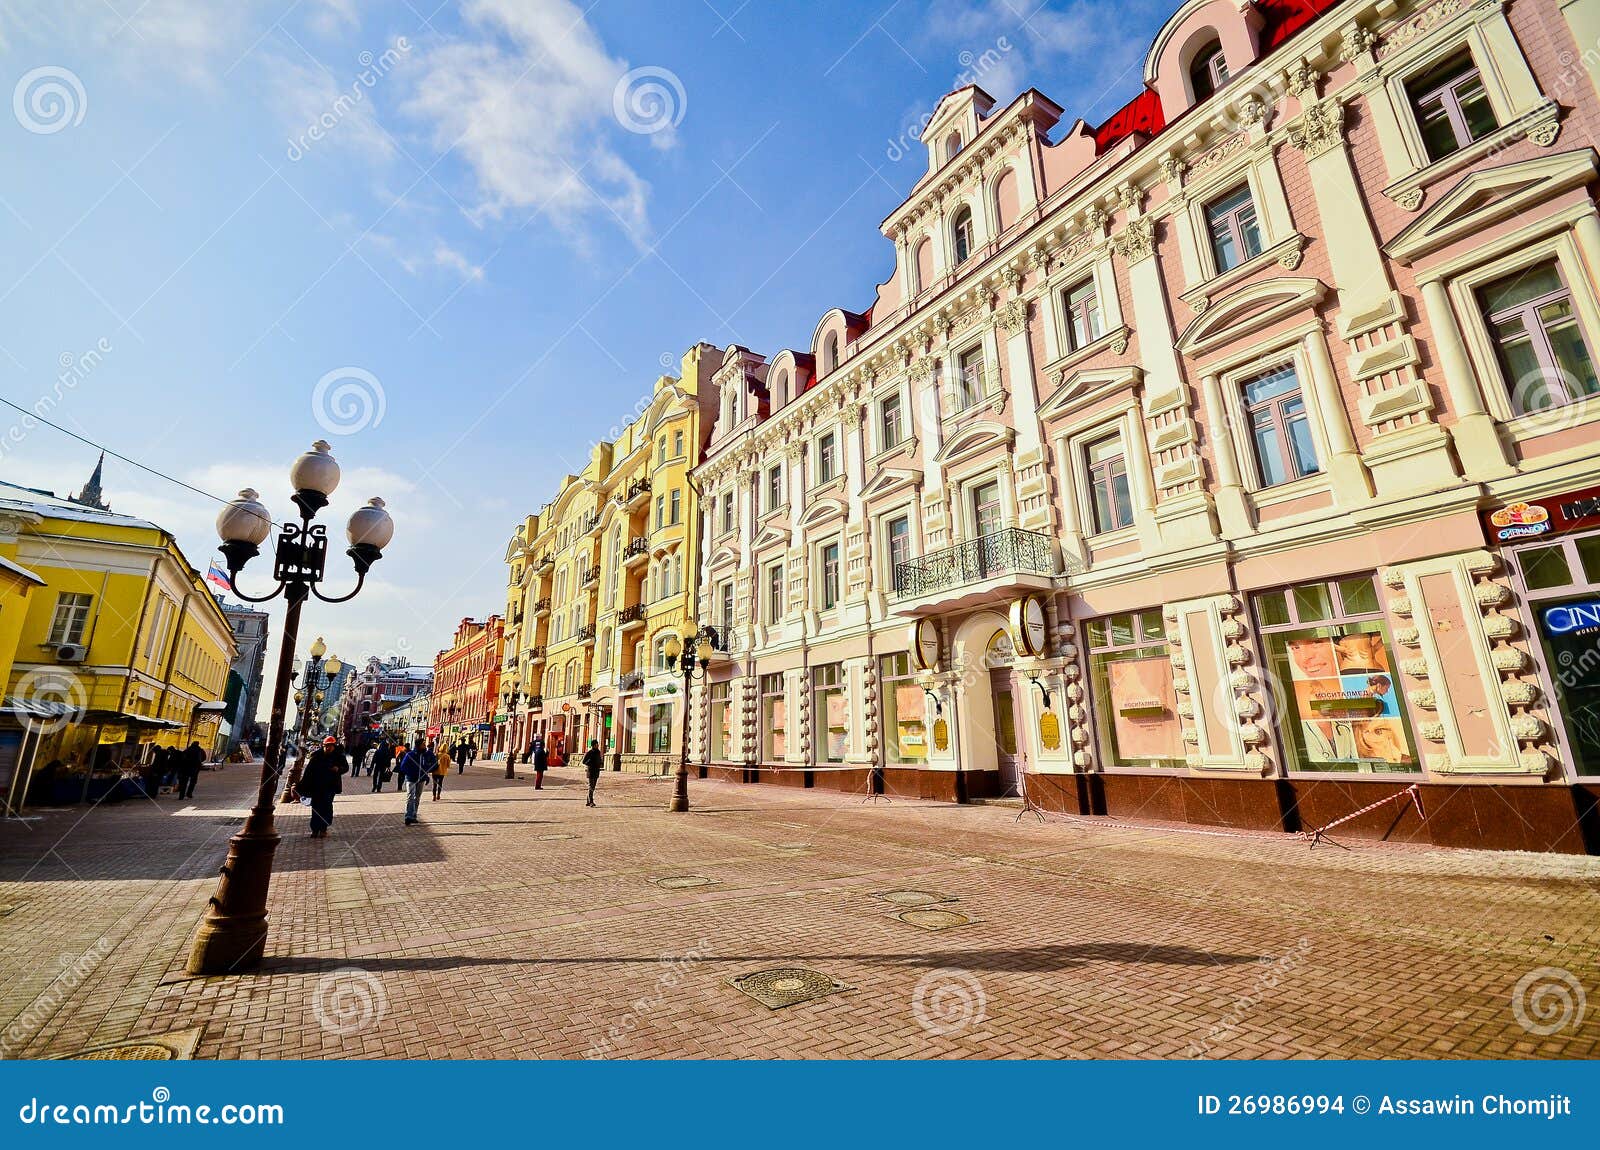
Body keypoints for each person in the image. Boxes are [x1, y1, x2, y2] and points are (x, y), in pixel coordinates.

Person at [299, 736, 347, 838]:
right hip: (317, 787)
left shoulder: (339, 756)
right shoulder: (316, 756)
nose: (328, 748)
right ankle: (315, 829)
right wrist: (301, 786)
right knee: (316, 808)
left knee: (327, 806)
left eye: (330, 746)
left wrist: (338, 769)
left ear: (334, 746)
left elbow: (345, 767)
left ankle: (323, 829)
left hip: (330, 787)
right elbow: (308, 772)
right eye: (326, 746)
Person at [396, 738, 429, 825]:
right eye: (423, 744)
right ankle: (408, 816)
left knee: (417, 797)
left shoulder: (424, 755)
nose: (425, 746)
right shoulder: (410, 754)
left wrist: (426, 776)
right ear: (419, 745)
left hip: (421, 779)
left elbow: (426, 767)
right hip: (411, 779)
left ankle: (414, 815)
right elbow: (403, 766)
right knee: (410, 796)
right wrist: (411, 773)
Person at [582, 739, 602, 807]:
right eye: (596, 744)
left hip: (596, 771)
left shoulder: (598, 752)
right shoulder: (589, 752)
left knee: (593, 787)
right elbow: (584, 761)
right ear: (593, 745)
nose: (597, 745)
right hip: (590, 771)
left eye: (597, 744)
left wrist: (600, 763)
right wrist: (591, 762)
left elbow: (599, 760)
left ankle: (588, 801)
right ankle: (591, 801)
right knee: (591, 786)